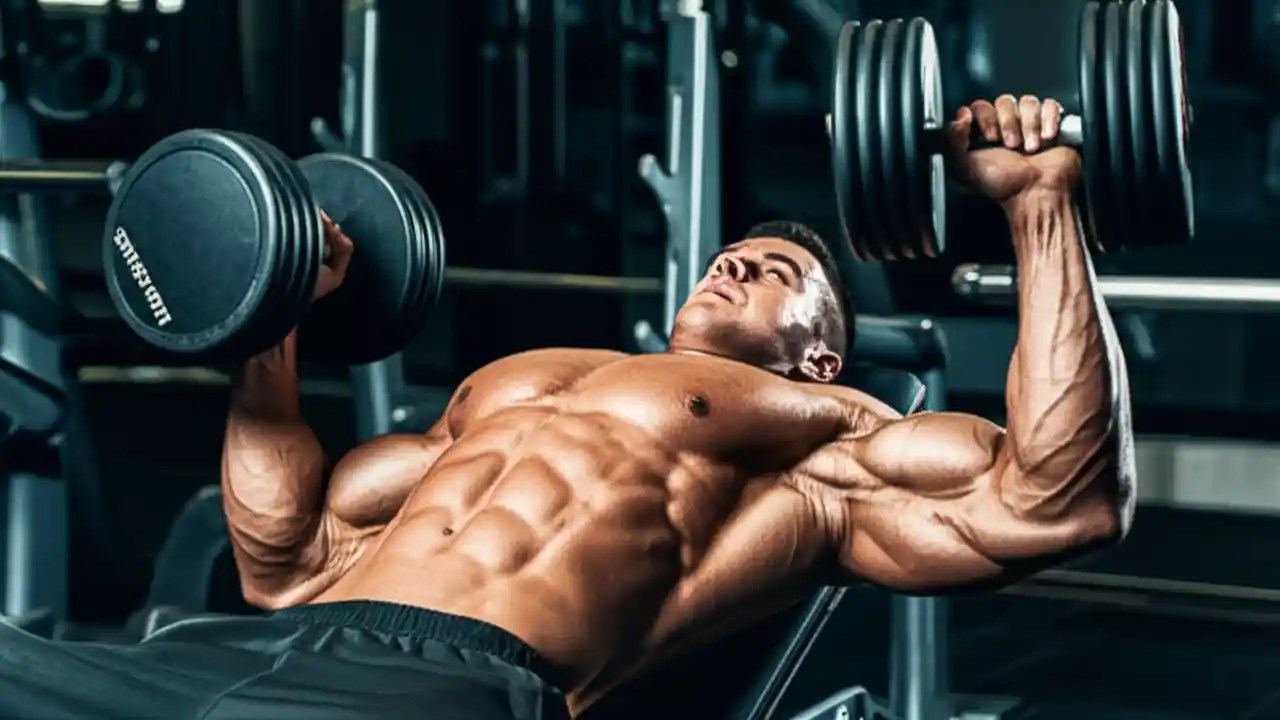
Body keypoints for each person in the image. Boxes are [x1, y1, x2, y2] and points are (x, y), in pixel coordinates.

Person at [0, 95, 1133, 720]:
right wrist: (275, 315)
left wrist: (1040, 210)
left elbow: (1052, 503)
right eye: (730, 255)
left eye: (776, 276)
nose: (734, 267)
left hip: (439, 686)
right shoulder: (511, 385)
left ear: (823, 354)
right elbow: (285, 561)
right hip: (248, 644)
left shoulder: (821, 442)